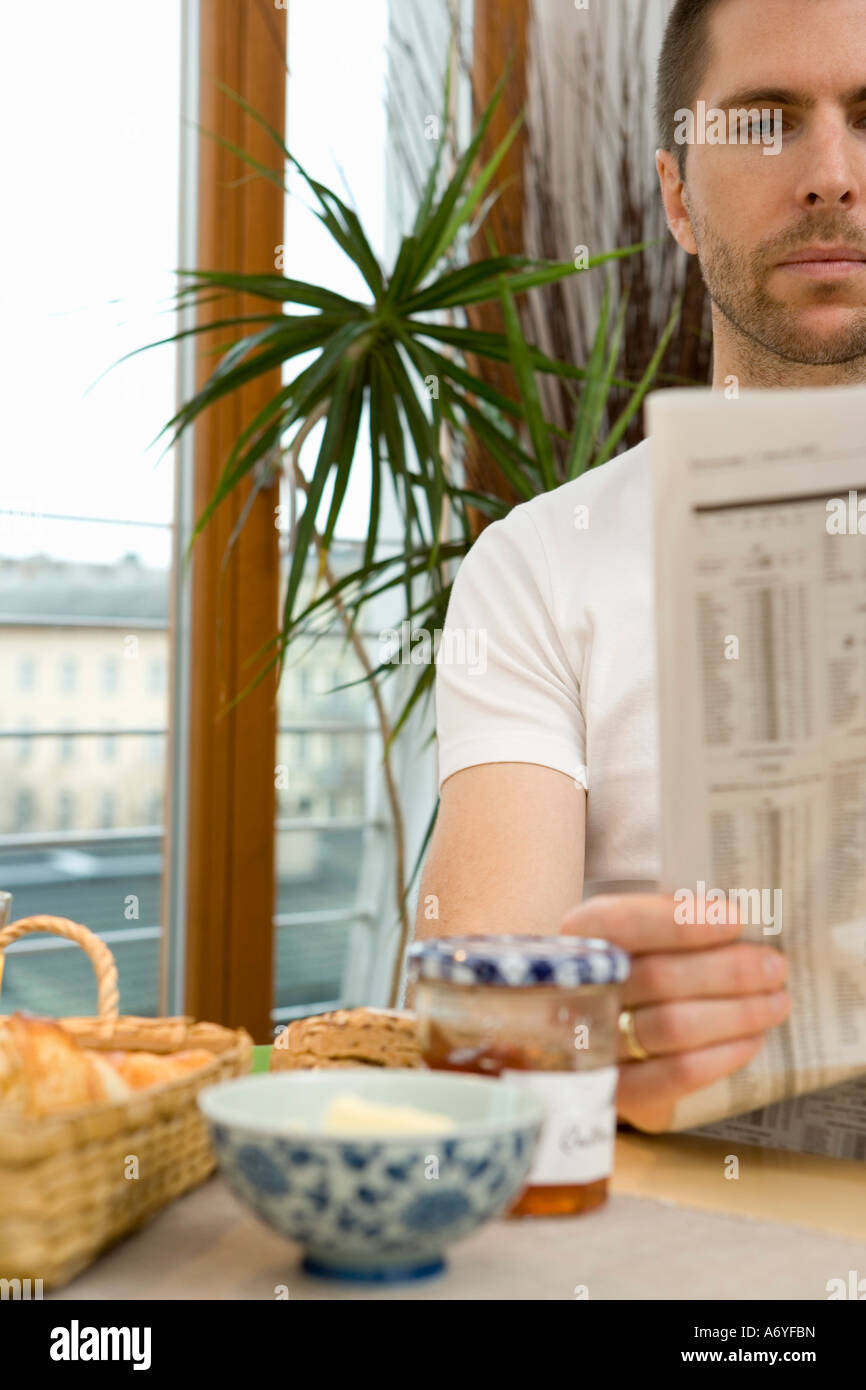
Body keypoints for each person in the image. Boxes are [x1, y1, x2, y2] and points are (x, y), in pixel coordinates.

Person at [414, 0, 866, 1132]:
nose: (827, 174)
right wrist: (589, 1038)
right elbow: (473, 1040)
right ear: (674, 194)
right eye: (763, 122)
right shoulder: (535, 570)